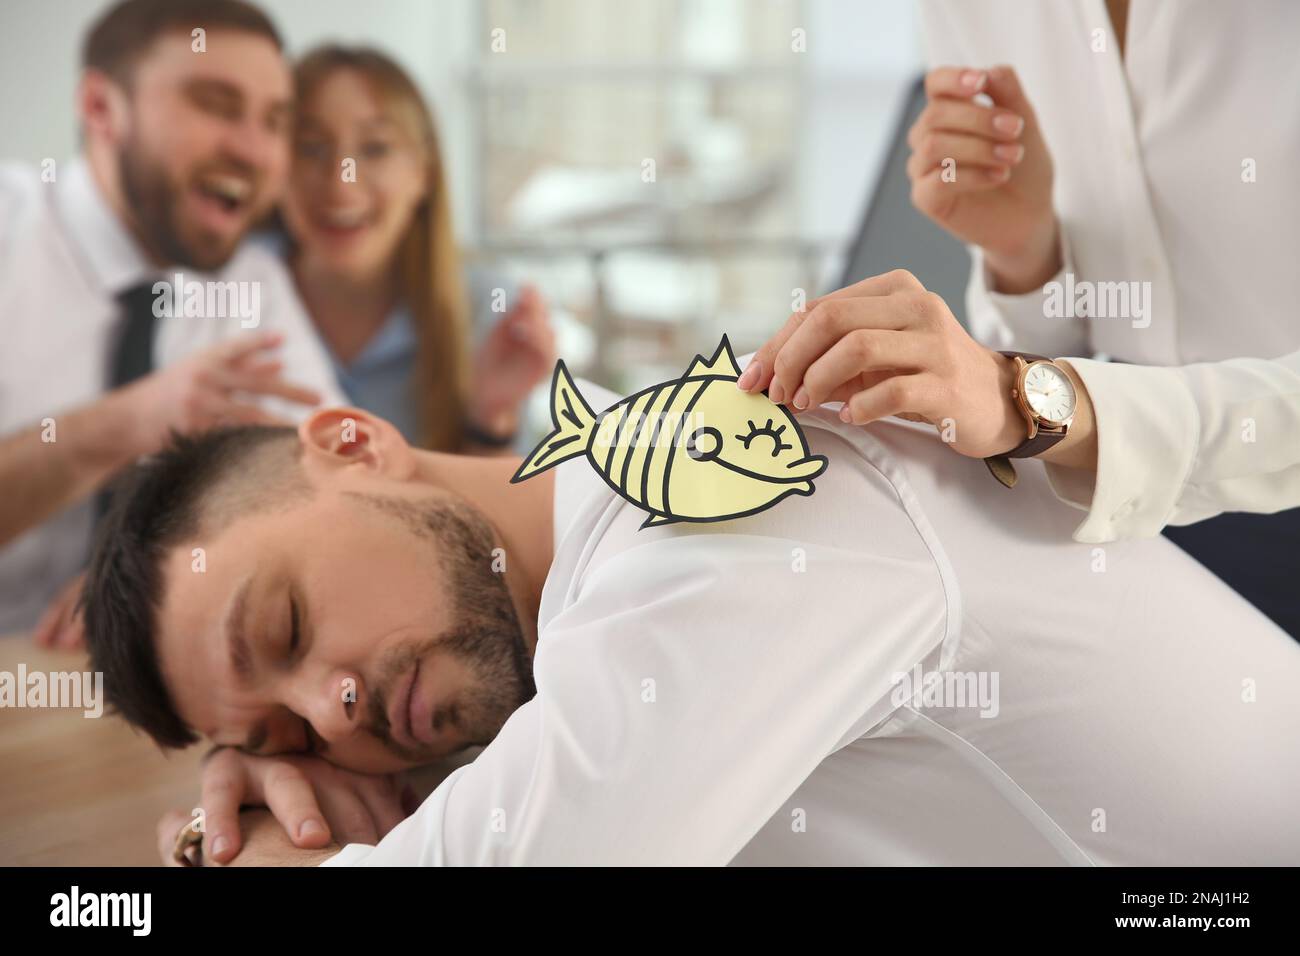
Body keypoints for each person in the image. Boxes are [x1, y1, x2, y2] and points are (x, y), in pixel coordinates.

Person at [80, 325, 1300, 865]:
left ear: (351, 441)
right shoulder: (564, 621)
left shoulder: (716, 503)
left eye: (286, 628)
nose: (335, 708)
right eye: (292, 732)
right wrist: (263, 804)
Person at [741, 0, 1300, 636]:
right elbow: (1047, 343)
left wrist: (1033, 402)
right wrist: (1023, 253)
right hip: (1101, 500)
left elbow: (1029, 392)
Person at [0, 0, 346, 643]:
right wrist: (129, 422)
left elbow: (335, 479)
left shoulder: (252, 282)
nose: (254, 149)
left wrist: (160, 567)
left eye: (274, 120)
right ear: (102, 108)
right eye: (215, 104)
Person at [278, 45, 555, 453]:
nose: (341, 184)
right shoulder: (232, 293)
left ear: (423, 172)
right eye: (311, 147)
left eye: (375, 148)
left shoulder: (486, 308)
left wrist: (491, 416)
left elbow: (504, 515)